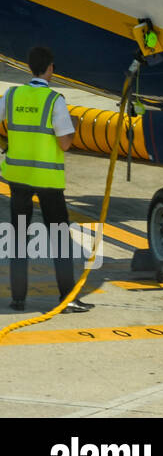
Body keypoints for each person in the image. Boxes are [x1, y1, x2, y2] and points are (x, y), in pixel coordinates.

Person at [0, 47, 92, 313]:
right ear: (50, 68)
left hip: (17, 177)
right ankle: (67, 299)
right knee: (60, 240)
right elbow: (64, 143)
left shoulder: (13, 95)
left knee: (18, 238)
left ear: (29, 68)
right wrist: (72, 129)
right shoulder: (55, 101)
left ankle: (18, 299)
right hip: (47, 181)